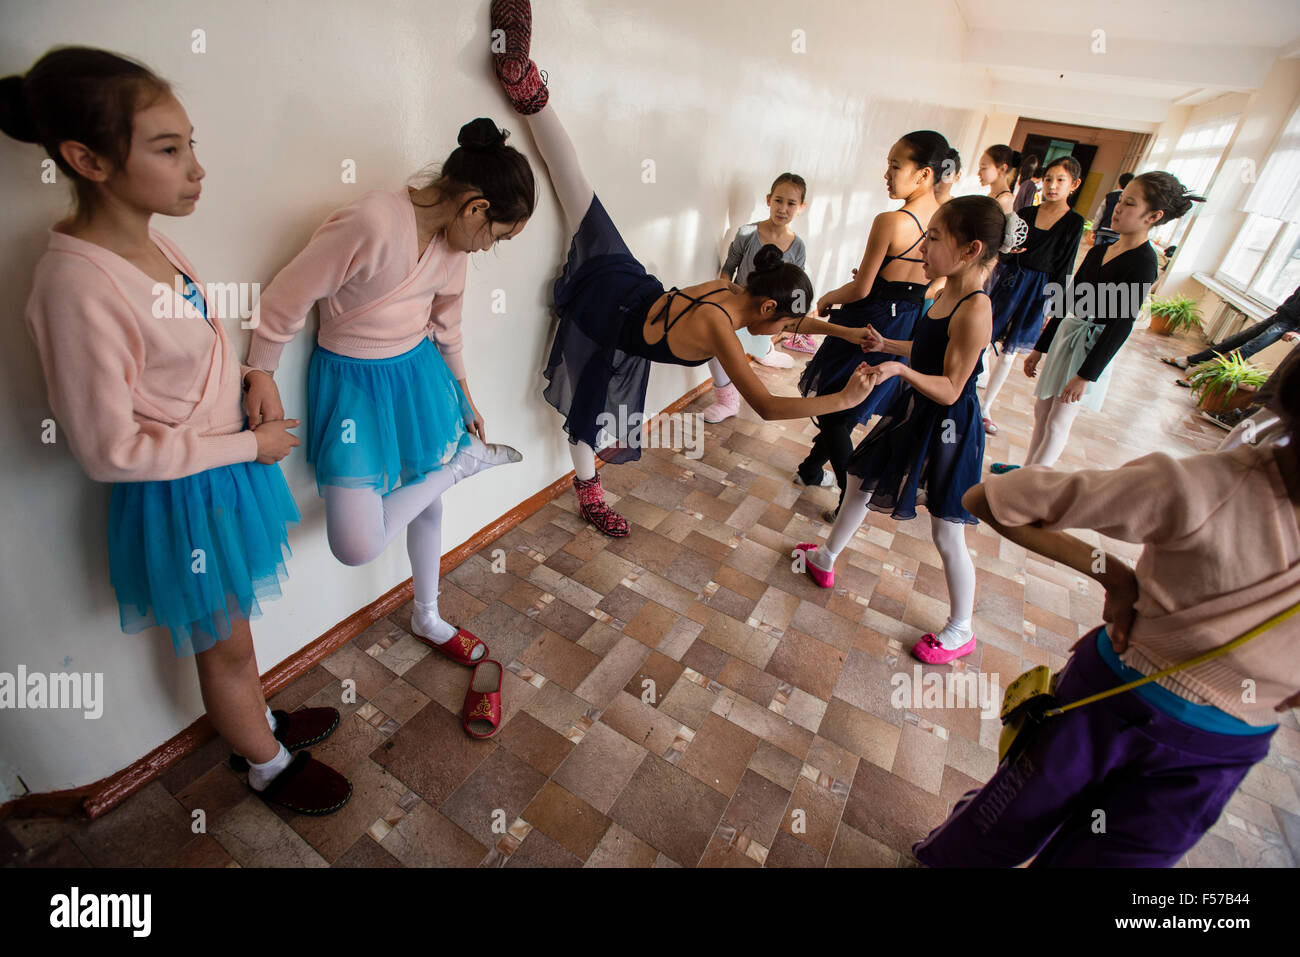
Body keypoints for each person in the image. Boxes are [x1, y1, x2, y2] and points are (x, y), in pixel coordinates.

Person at [5, 47, 350, 814]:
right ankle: (263, 762)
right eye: (168, 149)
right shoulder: (73, 286)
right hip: (181, 494)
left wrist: (249, 380)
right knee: (222, 644)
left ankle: (257, 721)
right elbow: (108, 449)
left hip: (221, 471)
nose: (196, 169)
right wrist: (249, 446)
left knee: (236, 632)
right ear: (86, 159)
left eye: (191, 143)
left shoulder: (150, 238)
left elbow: (183, 354)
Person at [488, 0, 880, 538]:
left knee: (574, 183)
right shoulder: (722, 329)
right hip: (611, 318)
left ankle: (527, 87)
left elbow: (793, 317)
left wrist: (842, 330)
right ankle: (589, 495)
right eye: (785, 326)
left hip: (625, 275)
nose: (787, 335)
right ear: (767, 305)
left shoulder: (731, 287)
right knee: (592, 417)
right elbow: (763, 406)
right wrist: (844, 400)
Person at [914, 355, 1300, 867]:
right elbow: (991, 498)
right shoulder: (1207, 486)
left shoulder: (1209, 483)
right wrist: (1110, 572)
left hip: (1215, 748)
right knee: (998, 828)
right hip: (1110, 702)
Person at [246, 118, 530, 665]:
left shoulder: (454, 251)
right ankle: (465, 464)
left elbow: (446, 326)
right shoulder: (373, 221)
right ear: (476, 209)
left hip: (418, 376)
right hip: (352, 386)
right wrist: (260, 370)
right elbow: (287, 296)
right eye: (496, 236)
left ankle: (428, 613)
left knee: (426, 505)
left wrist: (466, 396)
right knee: (356, 543)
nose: (487, 248)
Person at [795, 196, 1019, 664]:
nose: (923, 245)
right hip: (917, 411)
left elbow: (954, 389)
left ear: (970, 249)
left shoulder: (977, 307)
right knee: (858, 481)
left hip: (948, 426)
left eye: (934, 237)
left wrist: (898, 370)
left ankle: (962, 629)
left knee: (945, 531)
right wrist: (890, 345)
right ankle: (825, 557)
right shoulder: (947, 291)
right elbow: (931, 346)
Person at [989, 171, 1197, 473]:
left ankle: (1034, 484)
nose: (1118, 208)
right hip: (1067, 336)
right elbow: (1069, 301)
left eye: (1129, 204)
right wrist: (1040, 347)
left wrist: (1086, 375)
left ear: (1153, 216)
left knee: (1060, 420)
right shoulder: (1101, 249)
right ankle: (1027, 472)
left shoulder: (1143, 262)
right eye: (1121, 200)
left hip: (1090, 348)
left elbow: (1120, 326)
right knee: (1042, 409)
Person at [794, 131, 949, 517]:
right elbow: (936, 287)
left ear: (924, 174)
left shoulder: (891, 221)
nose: (887, 173)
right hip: (909, 323)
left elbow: (860, 289)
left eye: (896, 165)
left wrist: (829, 297)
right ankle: (810, 469)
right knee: (848, 409)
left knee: (836, 409)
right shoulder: (948, 221)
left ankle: (851, 498)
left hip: (870, 320)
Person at [980, 156, 1086, 435]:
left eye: (1060, 180)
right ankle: (964, 388)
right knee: (983, 336)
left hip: (1038, 291)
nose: (1052, 186)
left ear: (1073, 184)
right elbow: (1002, 248)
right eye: (1048, 179)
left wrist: (1053, 306)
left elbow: (1065, 266)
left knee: (1009, 352)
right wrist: (1007, 253)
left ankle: (985, 407)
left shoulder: (1074, 222)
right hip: (1010, 282)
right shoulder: (1025, 213)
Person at [703, 173, 811, 424]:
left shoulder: (798, 247)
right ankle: (727, 399)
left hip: (768, 315)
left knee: (758, 343)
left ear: (801, 207)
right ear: (768, 200)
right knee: (717, 349)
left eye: (791, 203)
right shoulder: (746, 234)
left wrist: (791, 315)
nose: (783, 209)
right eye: (778, 201)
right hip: (740, 309)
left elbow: (795, 285)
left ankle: (766, 351)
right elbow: (729, 268)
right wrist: (723, 298)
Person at [1161, 282, 1300, 384]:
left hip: (1287, 325)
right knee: (1232, 341)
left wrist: (1297, 333)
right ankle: (1189, 361)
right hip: (1279, 317)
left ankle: (1201, 379)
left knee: (1245, 350)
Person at [1090, 171, 1133, 248]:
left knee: (1096, 252)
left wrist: (1095, 229)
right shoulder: (1130, 200)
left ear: (1119, 183)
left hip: (1103, 229)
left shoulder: (1110, 196)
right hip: (1117, 233)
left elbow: (1100, 213)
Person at [978, 145, 1020, 214]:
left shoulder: (1004, 200)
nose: (978, 173)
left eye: (983, 168)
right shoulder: (993, 195)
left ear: (1003, 169)